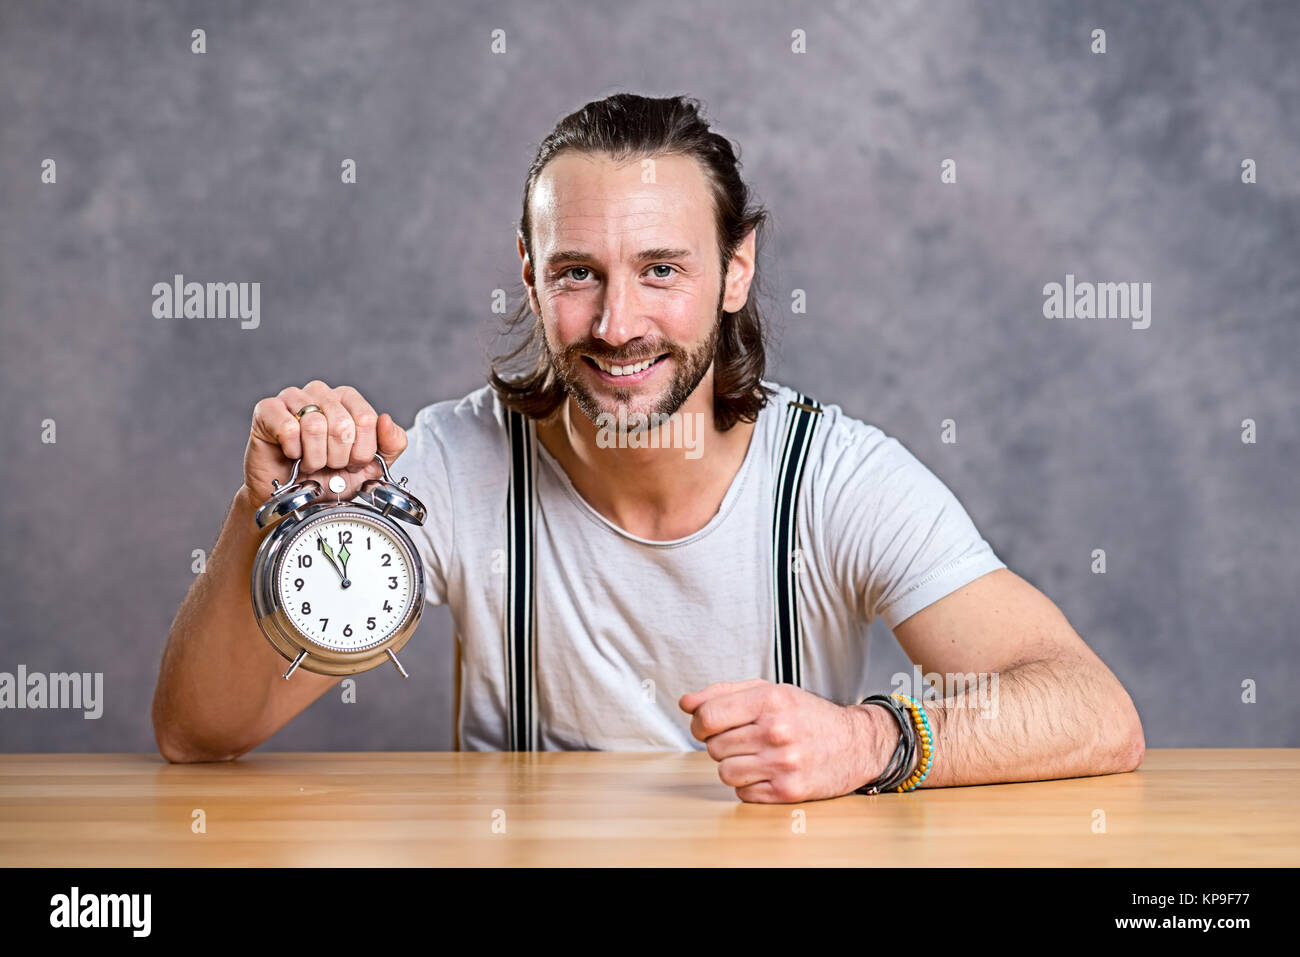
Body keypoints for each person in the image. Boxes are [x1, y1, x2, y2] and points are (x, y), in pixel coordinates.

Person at [152, 93, 1144, 803]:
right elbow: (198, 734)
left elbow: (1092, 709)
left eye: (661, 268)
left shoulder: (837, 480)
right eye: (578, 272)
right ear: (530, 274)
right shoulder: (448, 464)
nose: (619, 322)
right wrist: (264, 517)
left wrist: (868, 740)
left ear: (735, 269)